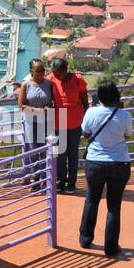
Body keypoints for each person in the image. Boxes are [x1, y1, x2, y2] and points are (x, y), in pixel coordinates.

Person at [79, 79, 134, 257]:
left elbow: (86, 134)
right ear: (117, 96)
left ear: (99, 96)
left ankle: (85, 239)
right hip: (119, 163)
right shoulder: (125, 115)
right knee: (114, 206)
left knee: (91, 200)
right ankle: (111, 247)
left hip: (95, 162)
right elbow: (128, 135)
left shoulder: (91, 112)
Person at [47, 57, 88, 192]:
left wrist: (87, 116)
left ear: (65, 70)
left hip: (75, 120)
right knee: (59, 155)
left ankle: (71, 183)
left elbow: (84, 97)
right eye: (54, 72)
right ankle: (59, 182)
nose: (56, 76)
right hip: (59, 120)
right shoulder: (51, 79)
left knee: (72, 154)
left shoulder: (77, 79)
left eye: (58, 73)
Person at [17, 59, 53, 190]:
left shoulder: (49, 84)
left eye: (43, 70)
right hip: (30, 122)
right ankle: (35, 179)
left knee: (45, 151)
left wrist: (48, 109)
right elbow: (21, 106)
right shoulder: (26, 85)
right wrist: (36, 110)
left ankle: (45, 179)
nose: (41, 73)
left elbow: (54, 102)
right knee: (33, 151)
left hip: (46, 122)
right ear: (31, 71)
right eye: (38, 70)